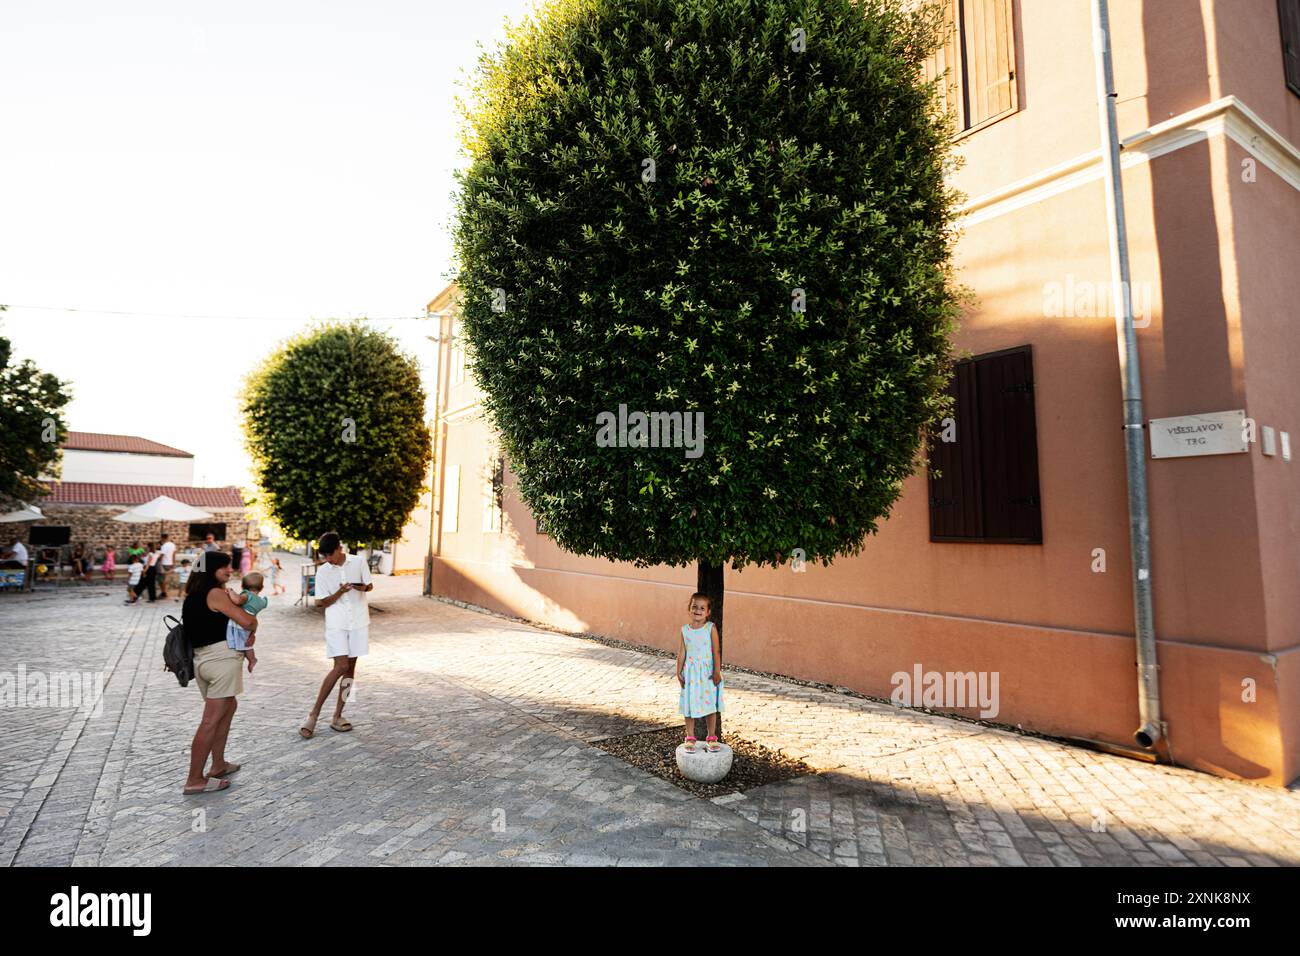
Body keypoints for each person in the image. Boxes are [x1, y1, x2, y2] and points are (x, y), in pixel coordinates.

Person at [182, 550, 257, 795]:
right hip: (221, 659)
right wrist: (254, 621)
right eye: (224, 567)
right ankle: (195, 779)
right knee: (210, 721)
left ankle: (218, 764)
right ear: (211, 569)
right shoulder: (214, 593)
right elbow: (246, 621)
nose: (230, 571)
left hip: (203, 661)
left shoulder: (192, 595)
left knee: (228, 707)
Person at [299, 532, 372, 738]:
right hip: (337, 623)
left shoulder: (358, 561)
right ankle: (313, 714)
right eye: (325, 556)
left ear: (339, 548)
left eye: (330, 555)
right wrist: (340, 592)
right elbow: (321, 601)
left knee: (350, 669)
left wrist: (360, 587)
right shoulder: (323, 572)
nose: (328, 559)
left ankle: (338, 715)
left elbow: (370, 586)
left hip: (358, 621)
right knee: (340, 666)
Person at [676, 592, 724, 753]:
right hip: (690, 674)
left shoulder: (710, 628)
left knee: (710, 704)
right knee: (688, 704)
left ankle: (712, 736)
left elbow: (716, 650)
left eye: (702, 608)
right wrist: (679, 671)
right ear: (689, 609)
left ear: (708, 612)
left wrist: (717, 671)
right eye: (694, 607)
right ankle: (690, 737)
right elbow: (682, 652)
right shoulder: (685, 630)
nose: (698, 610)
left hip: (707, 673)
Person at [225, 572, 267, 674]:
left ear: (243, 586)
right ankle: (252, 659)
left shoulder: (247, 595)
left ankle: (247, 658)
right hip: (249, 626)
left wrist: (230, 591)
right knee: (247, 645)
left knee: (236, 643)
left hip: (239, 623)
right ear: (261, 588)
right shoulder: (262, 601)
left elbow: (237, 600)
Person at [157, 533, 177, 599]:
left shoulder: (164, 546)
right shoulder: (172, 544)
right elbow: (174, 555)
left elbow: (162, 556)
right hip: (170, 563)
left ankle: (164, 593)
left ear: (162, 538)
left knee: (161, 580)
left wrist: (157, 559)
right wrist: (174, 563)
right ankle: (164, 592)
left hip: (164, 563)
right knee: (165, 579)